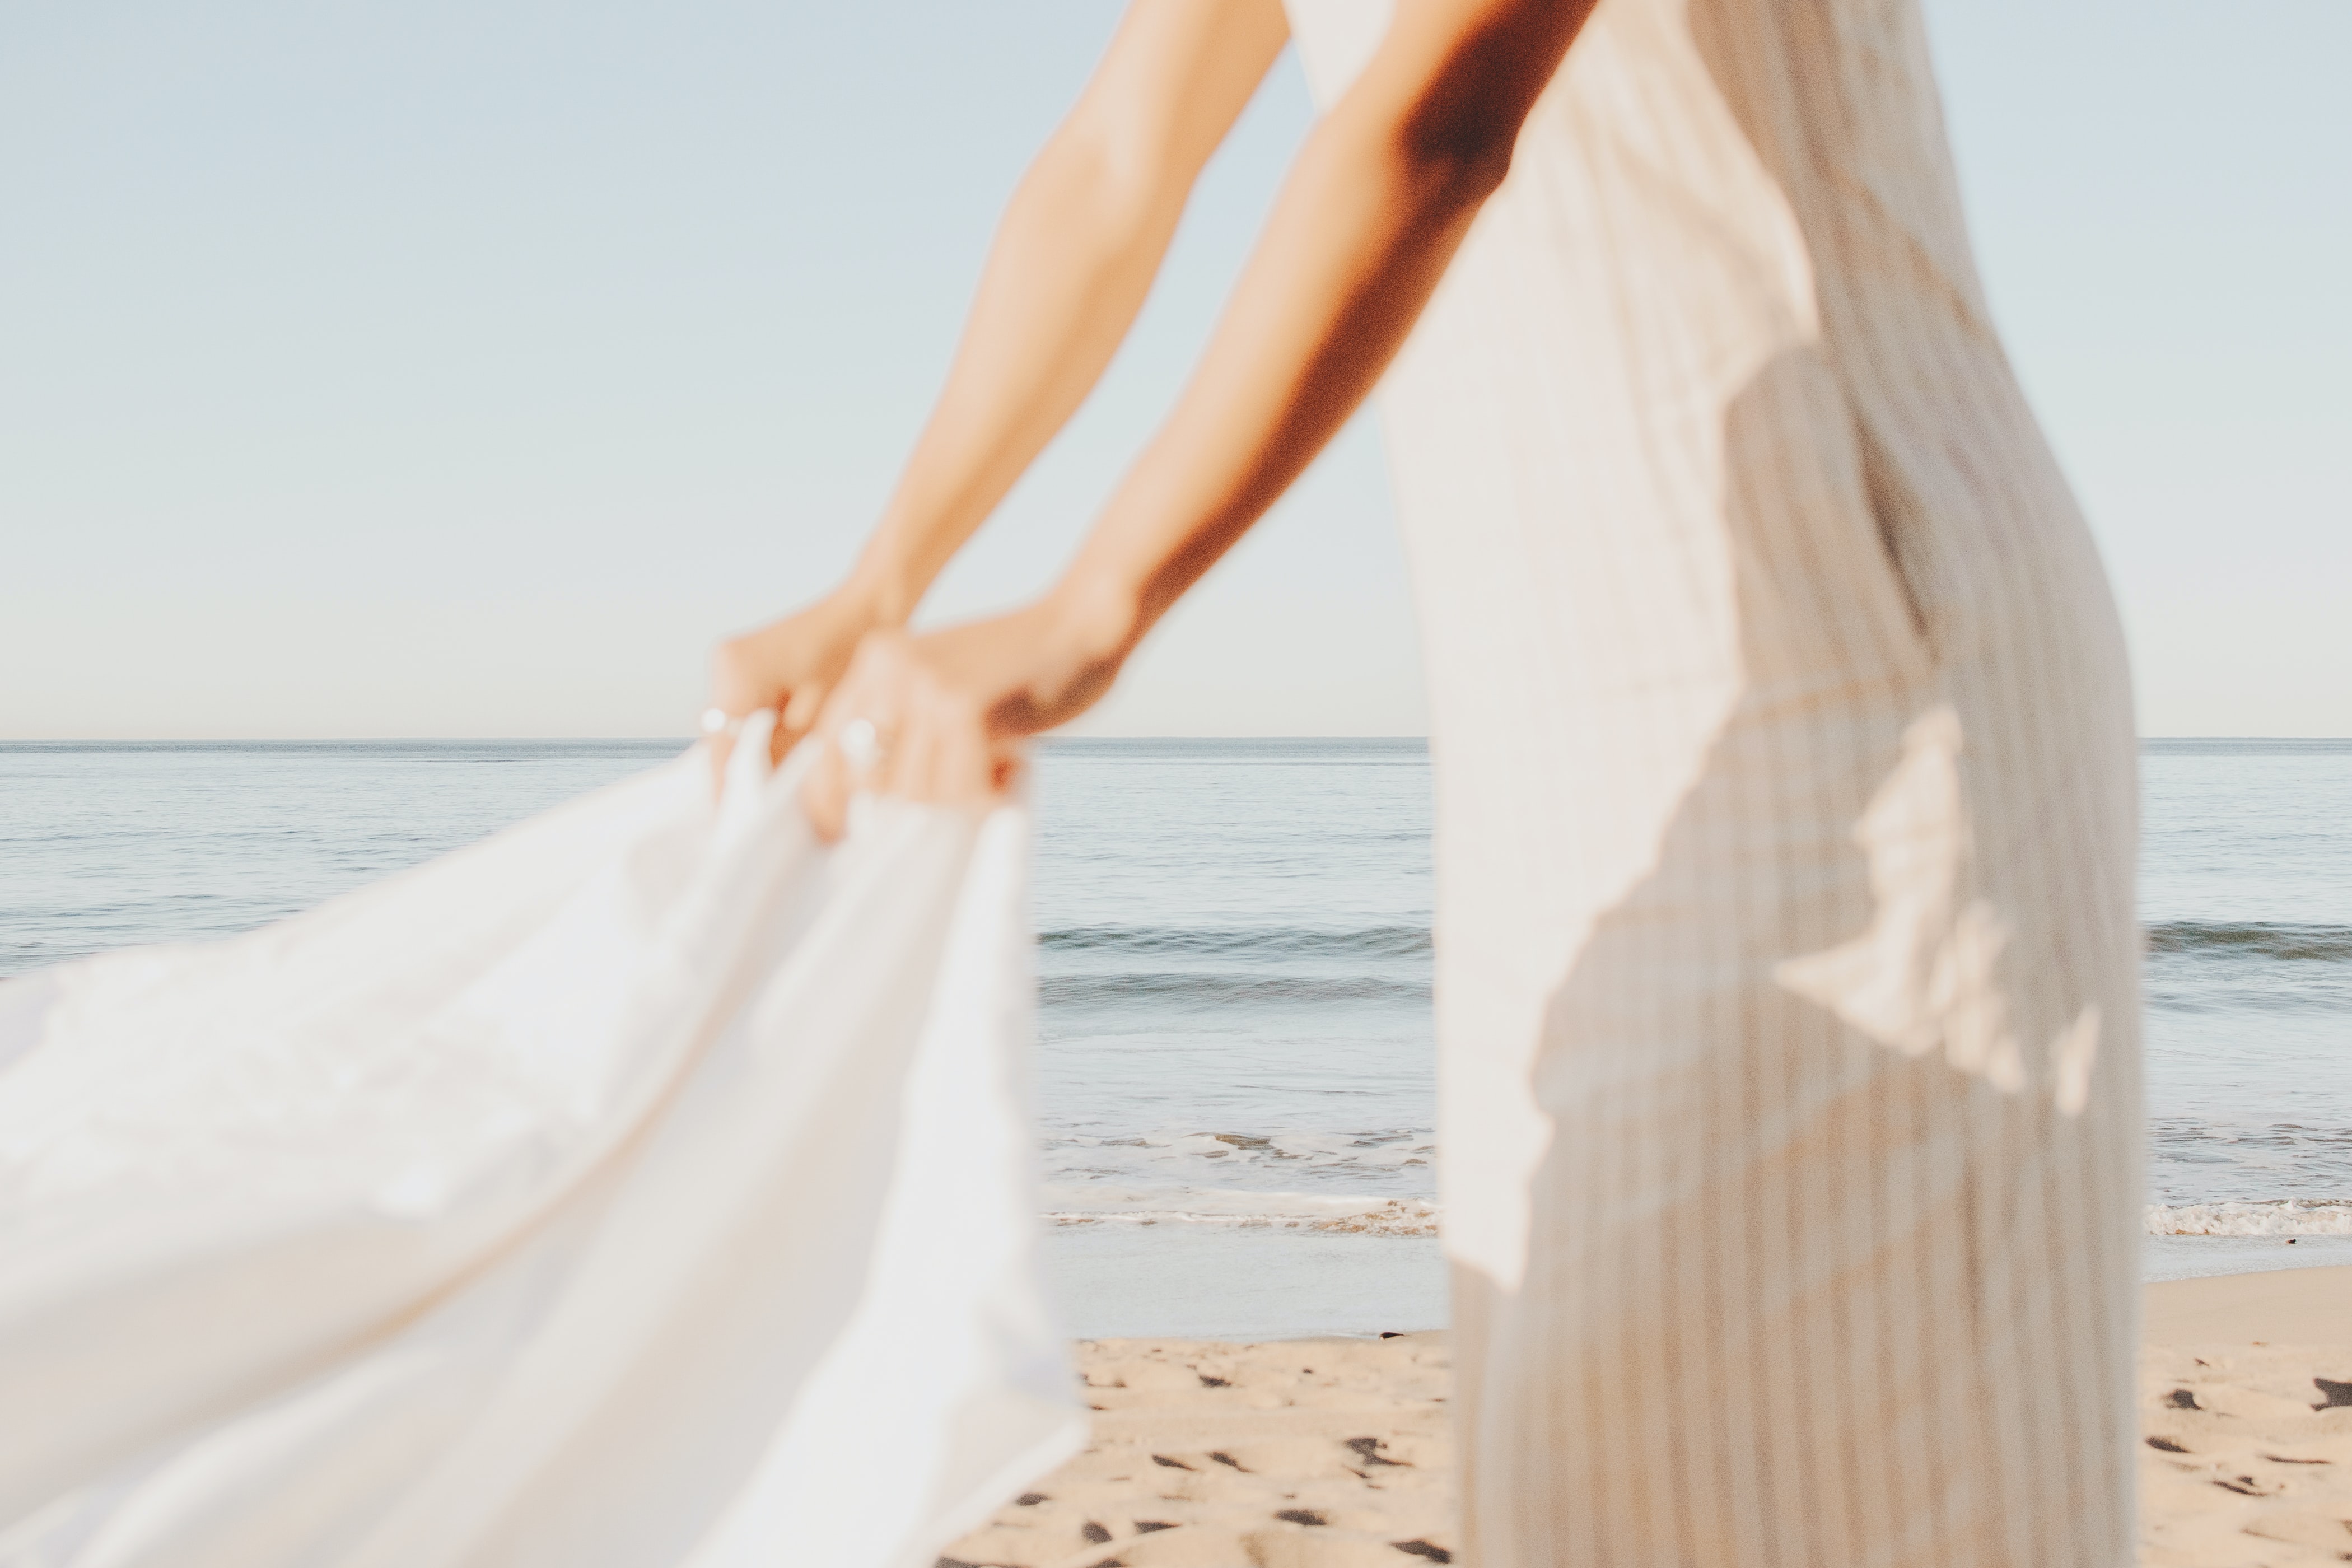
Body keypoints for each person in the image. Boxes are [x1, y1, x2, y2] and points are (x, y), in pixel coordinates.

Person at [708, 0, 2141, 1561]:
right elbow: (1117, 165)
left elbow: (1439, 123)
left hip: (1864, 644)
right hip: (1566, 715)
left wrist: (1093, 606)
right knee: (1597, 1472)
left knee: (1889, 1483)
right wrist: (886, 580)